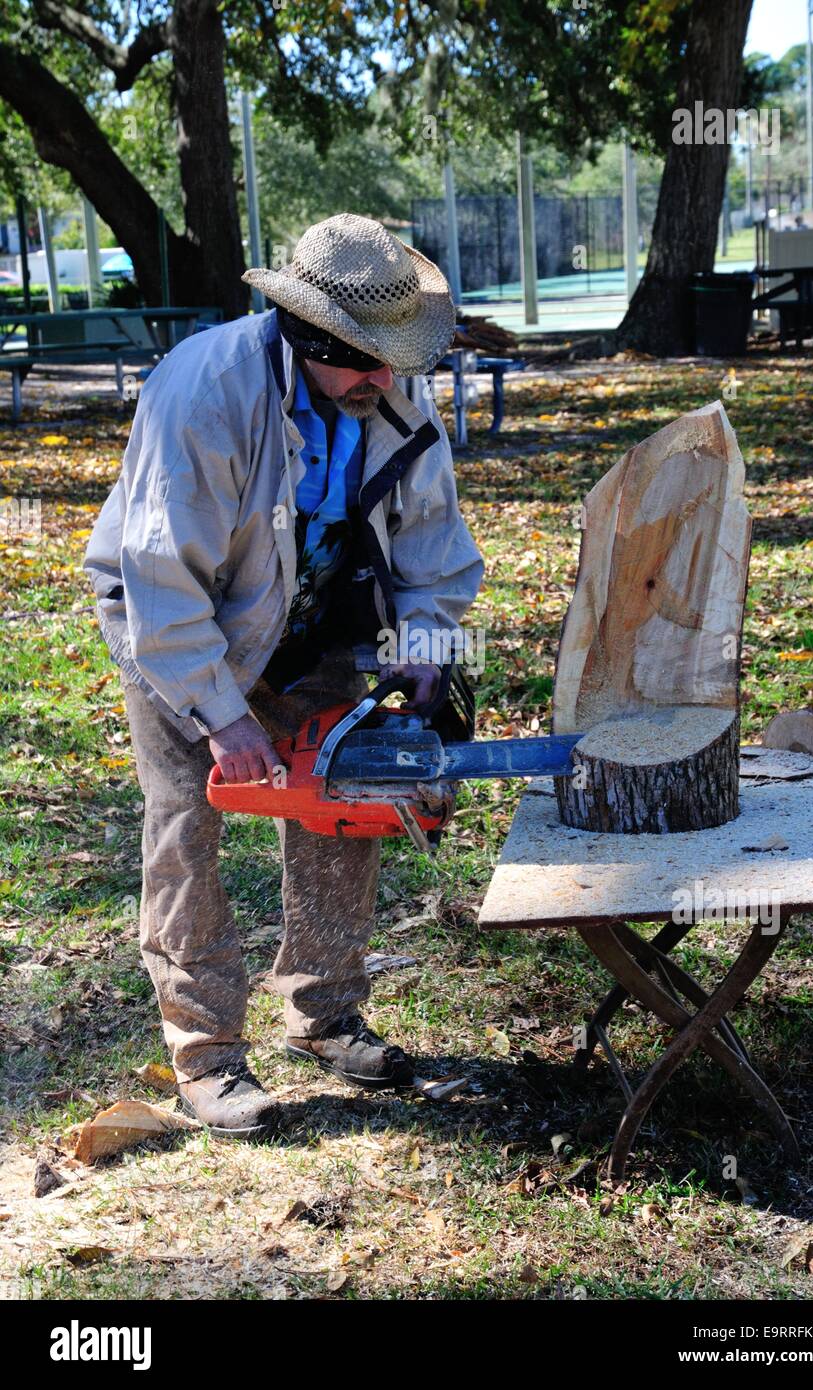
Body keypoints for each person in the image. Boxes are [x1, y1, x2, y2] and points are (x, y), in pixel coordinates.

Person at [84, 214, 483, 1137]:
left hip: (314, 615)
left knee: (346, 797)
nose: (386, 374)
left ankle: (326, 1013)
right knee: (188, 821)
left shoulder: (391, 402)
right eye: (366, 357)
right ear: (310, 335)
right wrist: (223, 714)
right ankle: (208, 1054)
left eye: (394, 355)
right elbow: (159, 577)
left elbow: (433, 554)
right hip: (176, 621)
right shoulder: (205, 395)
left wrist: (420, 656)